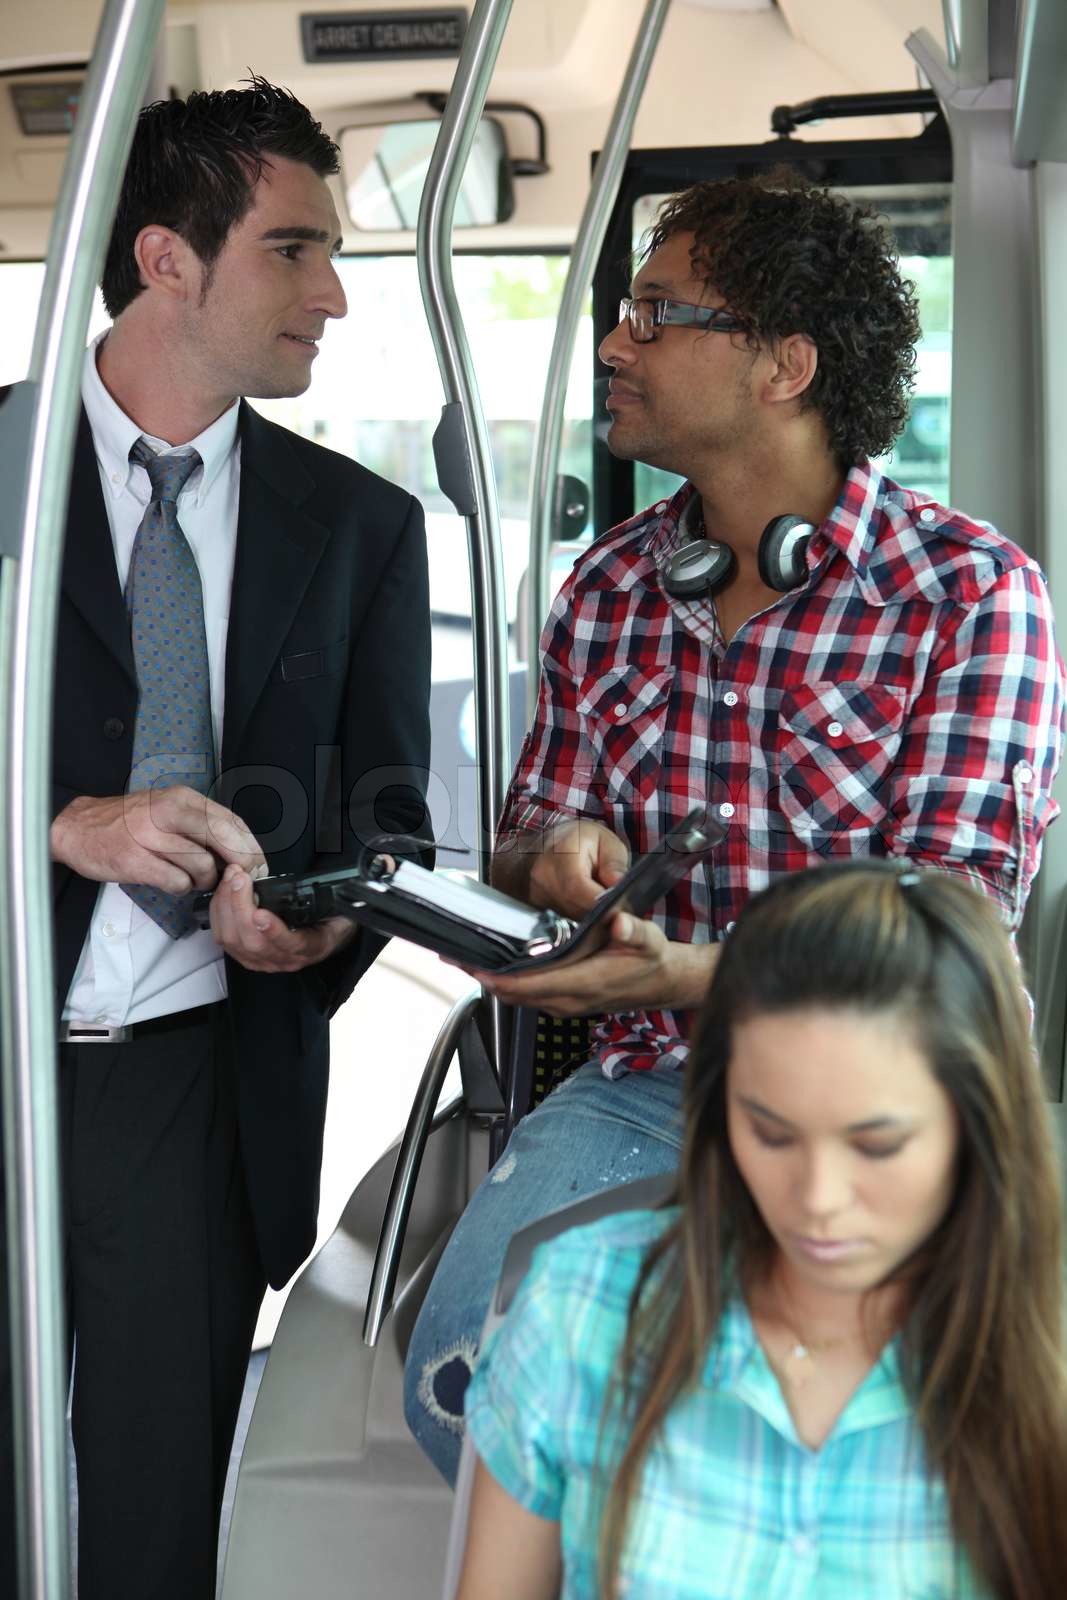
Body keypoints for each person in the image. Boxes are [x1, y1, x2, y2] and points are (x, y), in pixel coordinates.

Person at [404, 171, 1065, 1480]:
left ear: (782, 365)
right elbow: (525, 824)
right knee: (464, 1395)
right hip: (654, 1088)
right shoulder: (609, 585)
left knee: (832, 1443)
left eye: (655, 314)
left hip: (894, 1107)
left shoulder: (967, 597)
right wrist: (550, 857)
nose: (612, 342)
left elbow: (946, 942)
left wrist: (701, 972)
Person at [0, 80, 430, 1599]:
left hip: (195, 1076)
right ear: (166, 259)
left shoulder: (359, 527)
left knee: (152, 1511)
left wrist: (319, 927)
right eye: (295, 248)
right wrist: (55, 822)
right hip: (6, 1050)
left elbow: (390, 816)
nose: (334, 295)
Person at [458, 862, 1067, 1600]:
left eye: (875, 1146)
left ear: (978, 1125)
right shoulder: (580, 1310)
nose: (815, 1199)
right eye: (769, 1133)